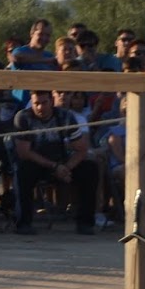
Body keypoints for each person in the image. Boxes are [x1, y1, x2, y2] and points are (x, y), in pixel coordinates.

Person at [13, 90, 99, 236]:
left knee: (90, 169)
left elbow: (81, 149)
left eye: (44, 103)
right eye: (36, 104)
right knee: (23, 172)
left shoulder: (66, 116)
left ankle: (85, 223)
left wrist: (66, 168)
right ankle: (23, 223)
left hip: (62, 161)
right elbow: (24, 152)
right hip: (37, 162)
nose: (40, 107)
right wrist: (54, 166)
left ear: (51, 101)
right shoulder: (23, 117)